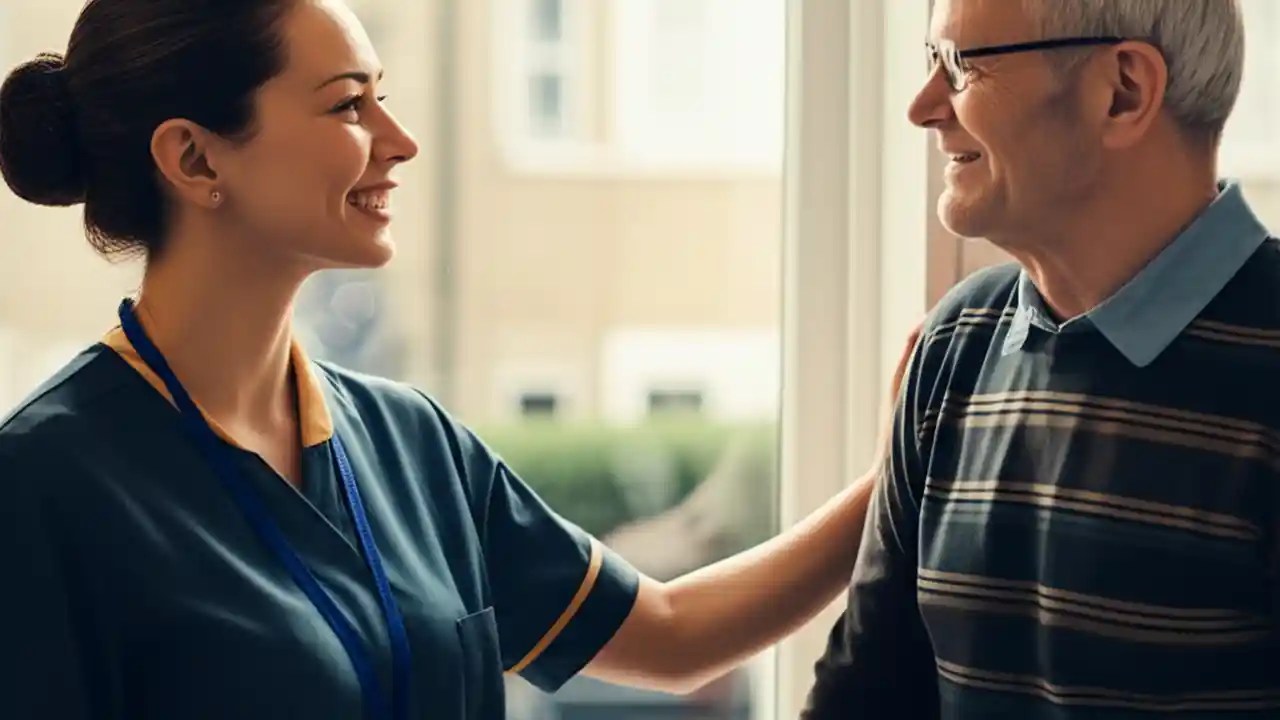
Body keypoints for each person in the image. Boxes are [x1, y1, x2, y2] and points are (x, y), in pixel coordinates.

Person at [0, 1, 918, 718]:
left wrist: (909, 468)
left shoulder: (410, 444)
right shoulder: (45, 483)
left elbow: (671, 639)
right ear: (196, 158)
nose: (398, 142)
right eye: (348, 103)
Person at [803, 0, 1280, 718]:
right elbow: (863, 700)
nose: (923, 107)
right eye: (932, 62)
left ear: (1124, 91)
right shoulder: (954, 344)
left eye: (964, 65)